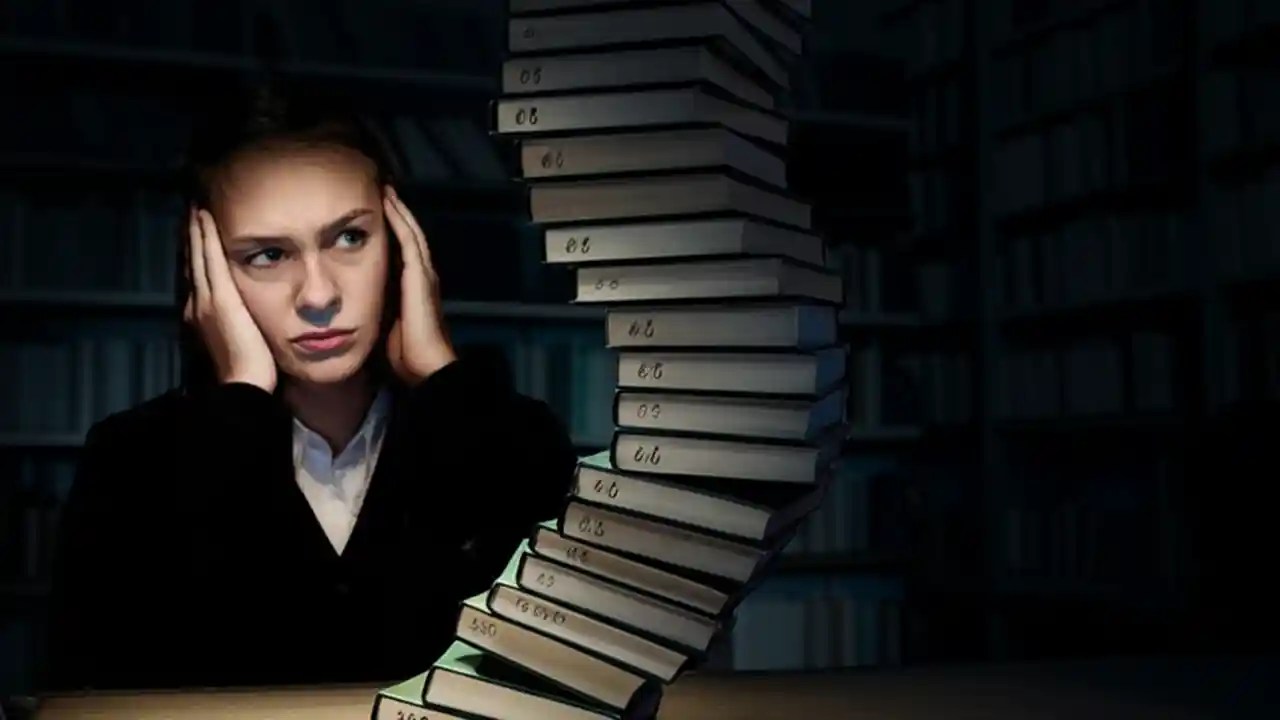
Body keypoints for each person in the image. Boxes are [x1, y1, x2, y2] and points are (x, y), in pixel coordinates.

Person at [43, 80, 578, 691]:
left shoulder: (511, 437)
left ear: (400, 246)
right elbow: (102, 691)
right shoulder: (131, 461)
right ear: (206, 271)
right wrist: (237, 404)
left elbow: (568, 677)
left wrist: (442, 379)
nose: (319, 297)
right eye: (267, 255)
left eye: (350, 237)